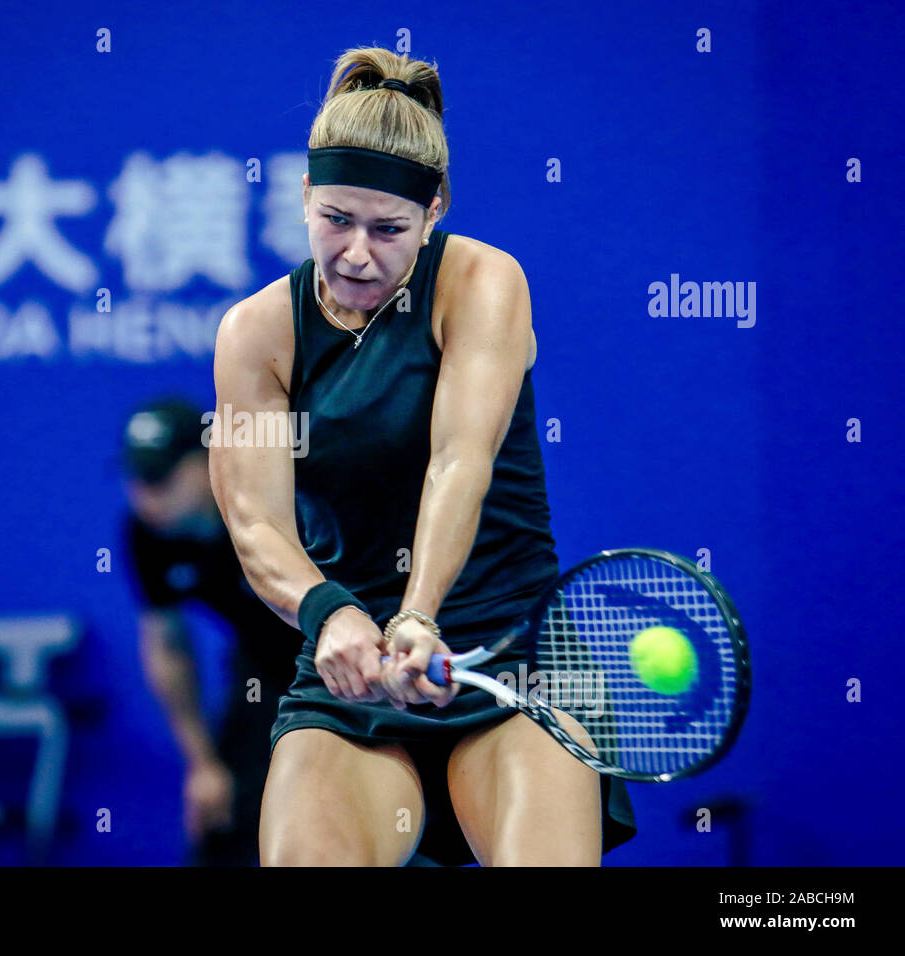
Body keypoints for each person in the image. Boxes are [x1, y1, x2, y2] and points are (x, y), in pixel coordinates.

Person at [208, 47, 638, 866]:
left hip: (513, 660)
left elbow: (459, 463)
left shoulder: (484, 282)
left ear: (433, 210)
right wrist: (330, 612)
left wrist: (419, 614)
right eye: (335, 218)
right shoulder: (255, 335)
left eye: (389, 228)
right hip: (352, 679)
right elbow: (256, 521)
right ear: (302, 196)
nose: (357, 253)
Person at [119, 398, 302, 865]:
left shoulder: (280, 498)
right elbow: (168, 647)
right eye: (137, 479)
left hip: (347, 656)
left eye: (160, 478)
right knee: (225, 816)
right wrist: (201, 763)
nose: (146, 497)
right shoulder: (146, 535)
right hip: (264, 668)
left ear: (208, 459)